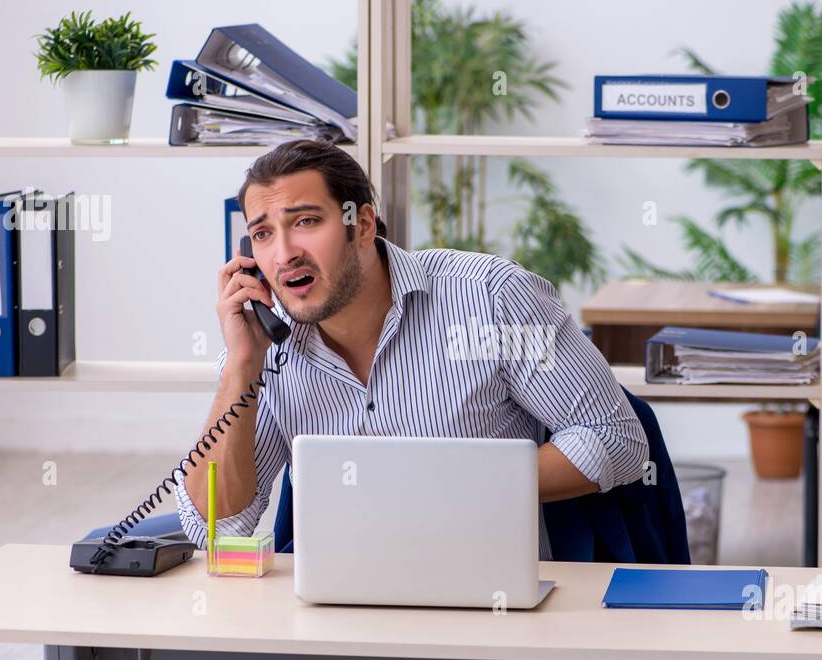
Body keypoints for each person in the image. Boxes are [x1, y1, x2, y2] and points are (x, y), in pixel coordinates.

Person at [176, 139, 646, 559]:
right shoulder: (264, 351)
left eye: (305, 221)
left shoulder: (490, 298)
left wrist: (438, 485)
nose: (284, 254)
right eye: (262, 234)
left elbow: (616, 438)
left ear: (360, 225)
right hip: (331, 618)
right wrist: (241, 368)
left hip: (486, 609)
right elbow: (215, 528)